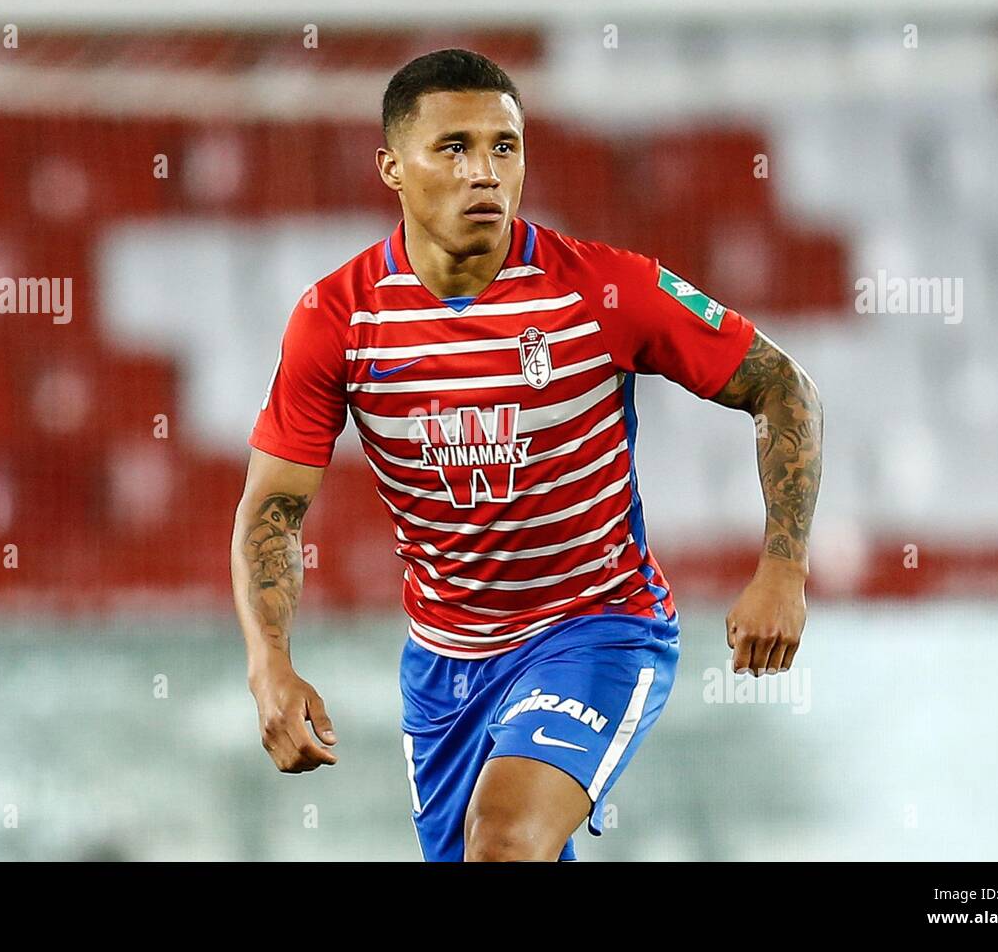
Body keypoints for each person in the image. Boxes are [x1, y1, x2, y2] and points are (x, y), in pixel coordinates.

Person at [230, 48, 823, 861]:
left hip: (597, 628)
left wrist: (784, 568)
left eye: (504, 146)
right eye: (454, 148)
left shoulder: (603, 290)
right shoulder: (337, 319)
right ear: (391, 168)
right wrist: (269, 665)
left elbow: (784, 387)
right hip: (443, 667)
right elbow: (273, 507)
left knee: (504, 843)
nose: (485, 172)